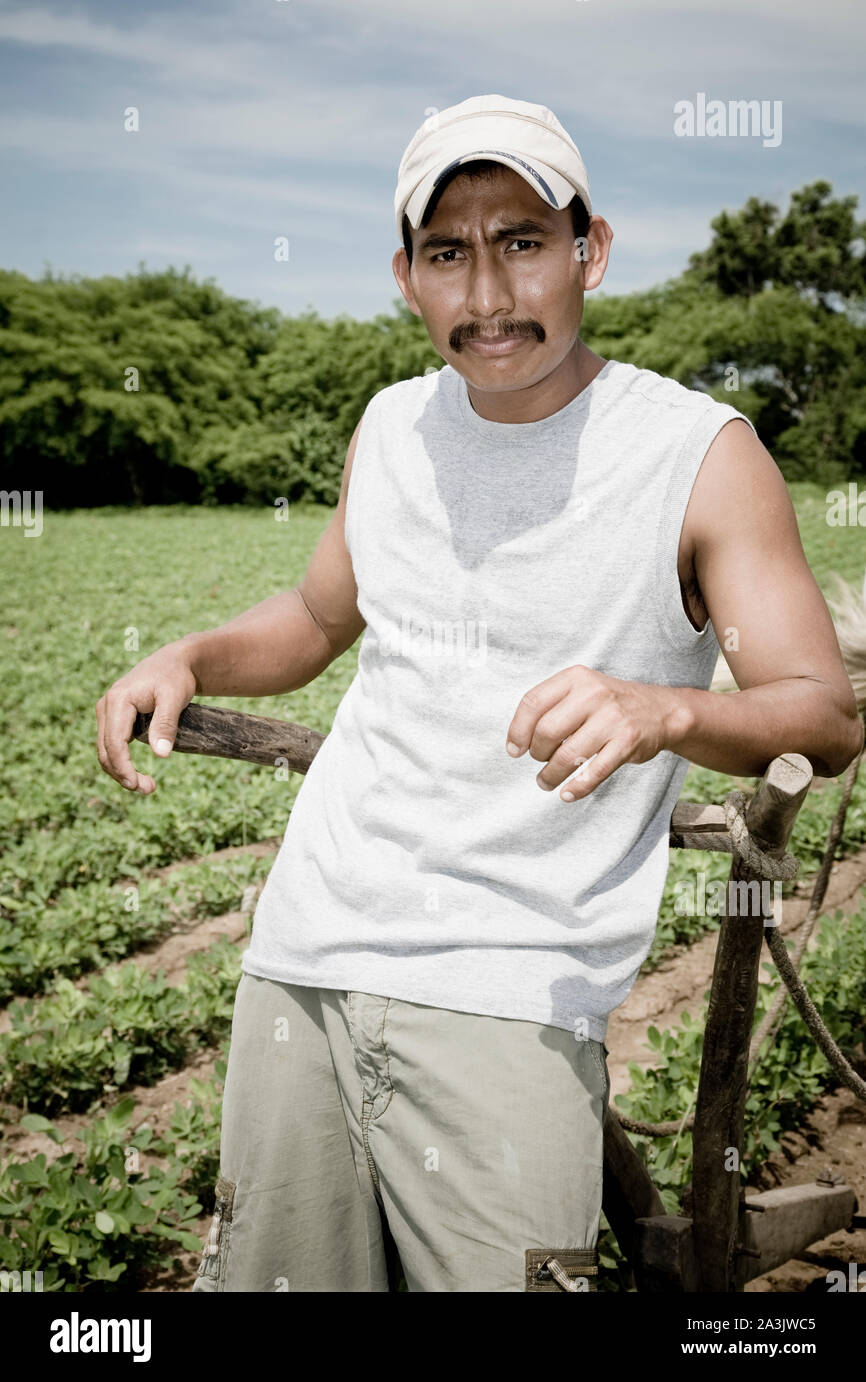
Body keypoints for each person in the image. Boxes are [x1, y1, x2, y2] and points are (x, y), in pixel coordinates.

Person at [95, 94, 862, 1293]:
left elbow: (821, 714)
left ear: (586, 249)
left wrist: (664, 708)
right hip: (304, 953)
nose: (488, 296)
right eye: (448, 253)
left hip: (511, 989)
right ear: (407, 276)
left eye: (521, 242)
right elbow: (313, 620)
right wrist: (187, 655)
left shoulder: (696, 454)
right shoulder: (391, 427)